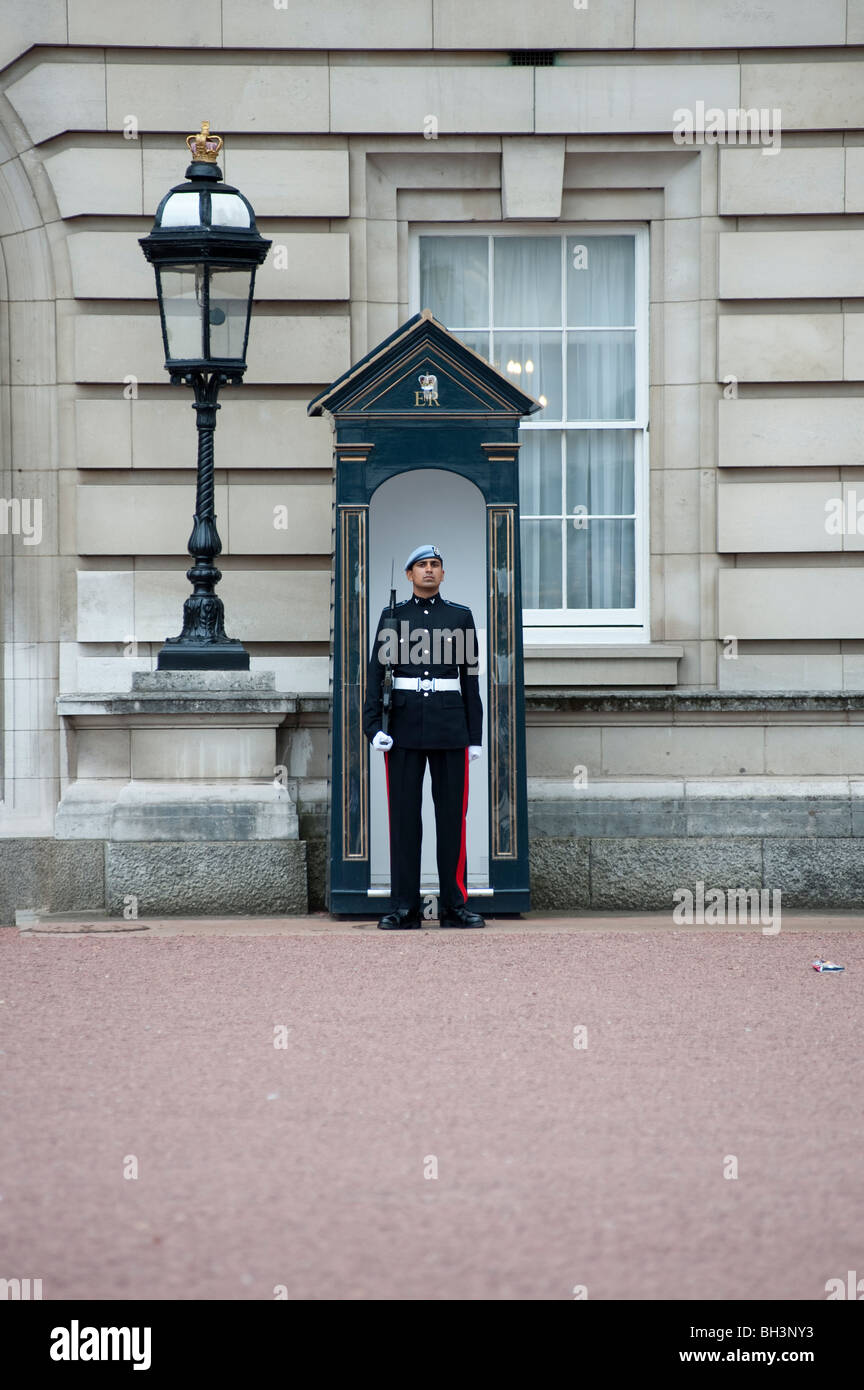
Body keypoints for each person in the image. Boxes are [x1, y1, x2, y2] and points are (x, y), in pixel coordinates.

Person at [363, 544, 485, 930]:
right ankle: (405, 906)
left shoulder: (460, 617)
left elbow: (471, 682)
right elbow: (374, 677)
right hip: (402, 727)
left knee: (452, 821)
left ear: (443, 574)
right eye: (422, 566)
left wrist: (475, 736)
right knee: (404, 821)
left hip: (450, 728)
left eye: (435, 565)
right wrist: (373, 728)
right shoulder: (392, 616)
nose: (429, 571)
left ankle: (454, 905)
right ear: (410, 575)